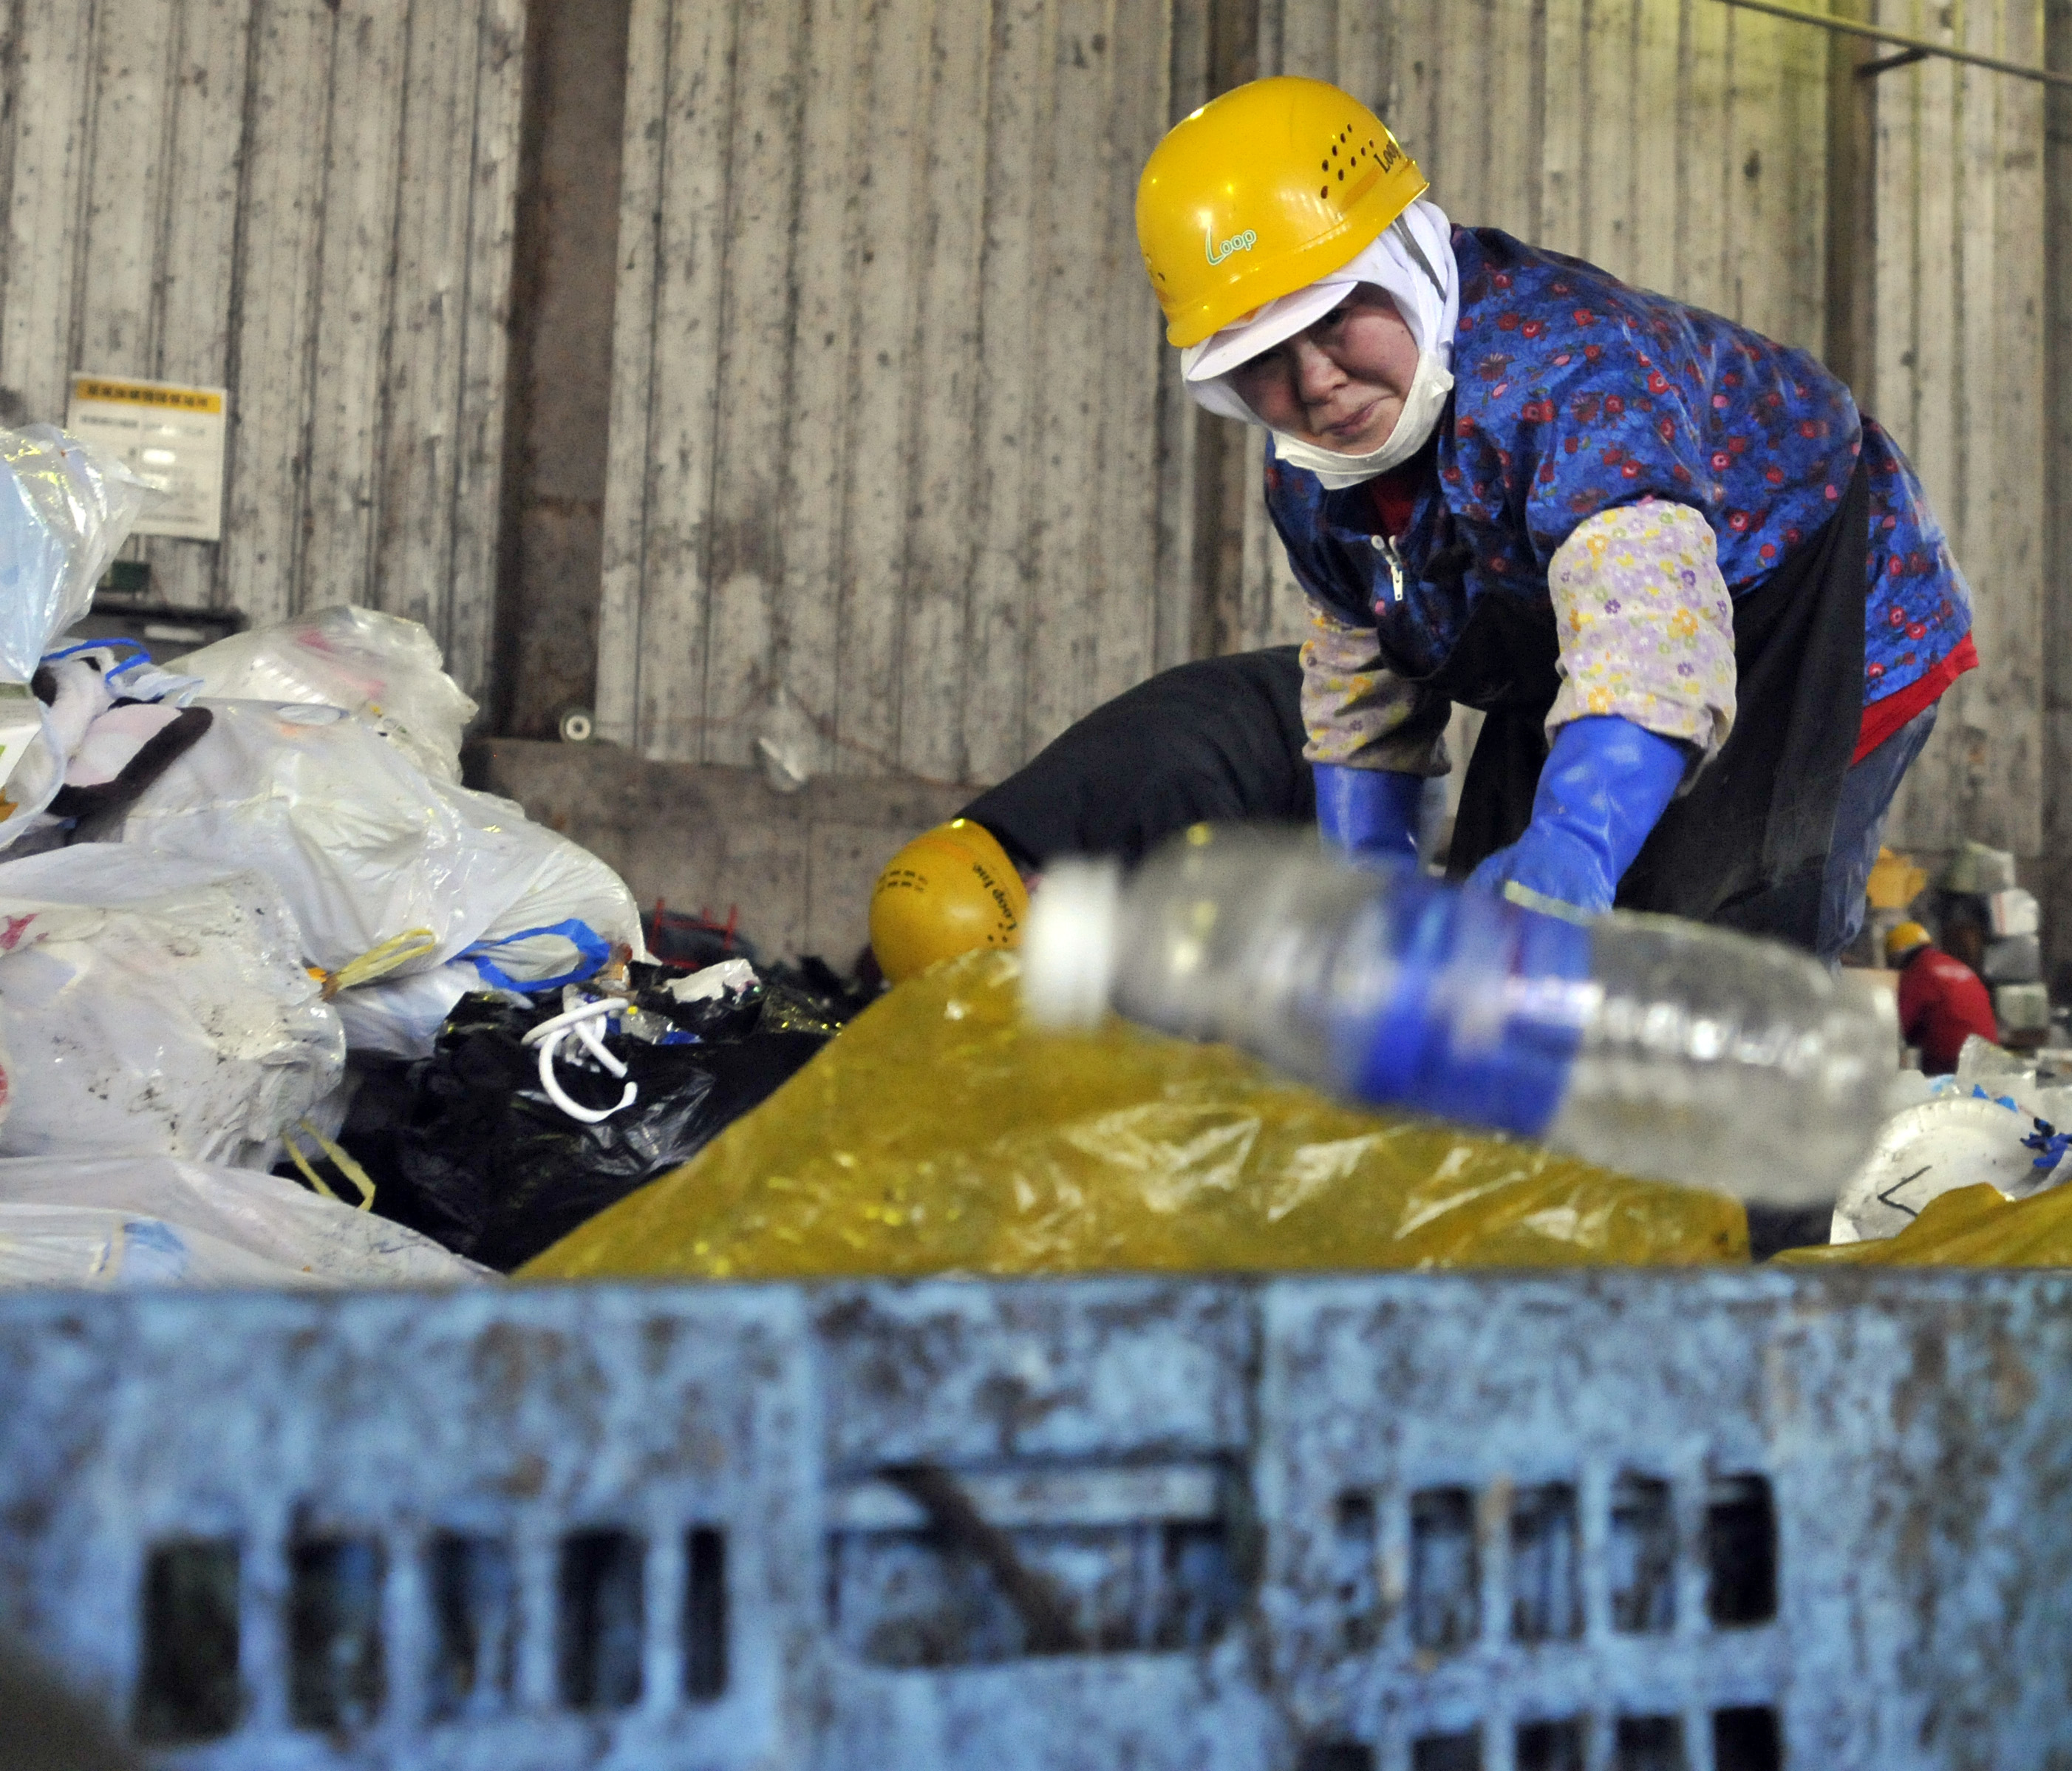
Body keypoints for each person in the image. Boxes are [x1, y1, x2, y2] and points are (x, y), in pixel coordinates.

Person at [1136, 78, 1975, 959]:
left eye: (1338, 317)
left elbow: (1647, 636)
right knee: (1486, 939)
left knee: (1709, 938)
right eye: (1261, 360)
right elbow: (1361, 675)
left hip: (1812, 599)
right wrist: (1367, 899)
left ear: (1405, 258)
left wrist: (1573, 847)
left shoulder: (1569, 373)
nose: (1314, 384)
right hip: (1577, 633)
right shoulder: (1308, 477)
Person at [1887, 920, 1997, 1074]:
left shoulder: (1919, 970)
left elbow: (1900, 1026)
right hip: (1990, 1058)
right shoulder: (1955, 965)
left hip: (1953, 1065)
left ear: (1898, 954)